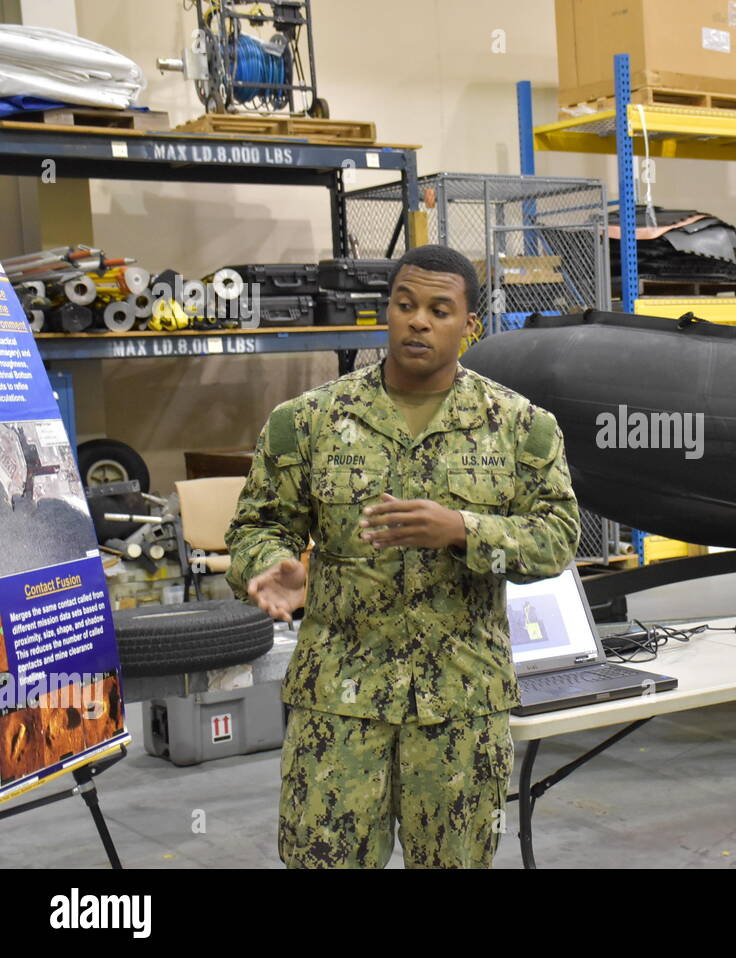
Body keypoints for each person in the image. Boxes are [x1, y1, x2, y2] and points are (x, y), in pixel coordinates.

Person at [226, 244, 580, 868]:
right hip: (338, 700)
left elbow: (556, 538)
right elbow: (258, 526)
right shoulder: (307, 422)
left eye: (439, 310)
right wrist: (268, 565)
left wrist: (462, 530)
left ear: (470, 327)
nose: (418, 321)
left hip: (461, 705)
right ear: (387, 313)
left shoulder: (521, 427)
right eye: (404, 305)